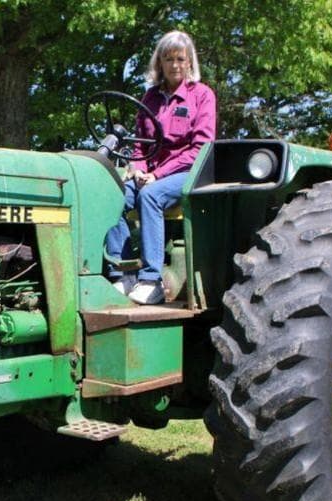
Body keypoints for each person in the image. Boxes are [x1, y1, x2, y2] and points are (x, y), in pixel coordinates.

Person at [106, 30, 216, 304]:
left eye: (181, 59)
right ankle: (121, 274)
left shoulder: (202, 96)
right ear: (160, 63)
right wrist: (139, 167)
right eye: (169, 59)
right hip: (151, 173)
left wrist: (157, 175)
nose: (175, 65)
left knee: (150, 196)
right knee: (111, 196)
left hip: (189, 174)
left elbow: (200, 148)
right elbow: (140, 143)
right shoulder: (150, 98)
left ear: (190, 63)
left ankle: (151, 280)